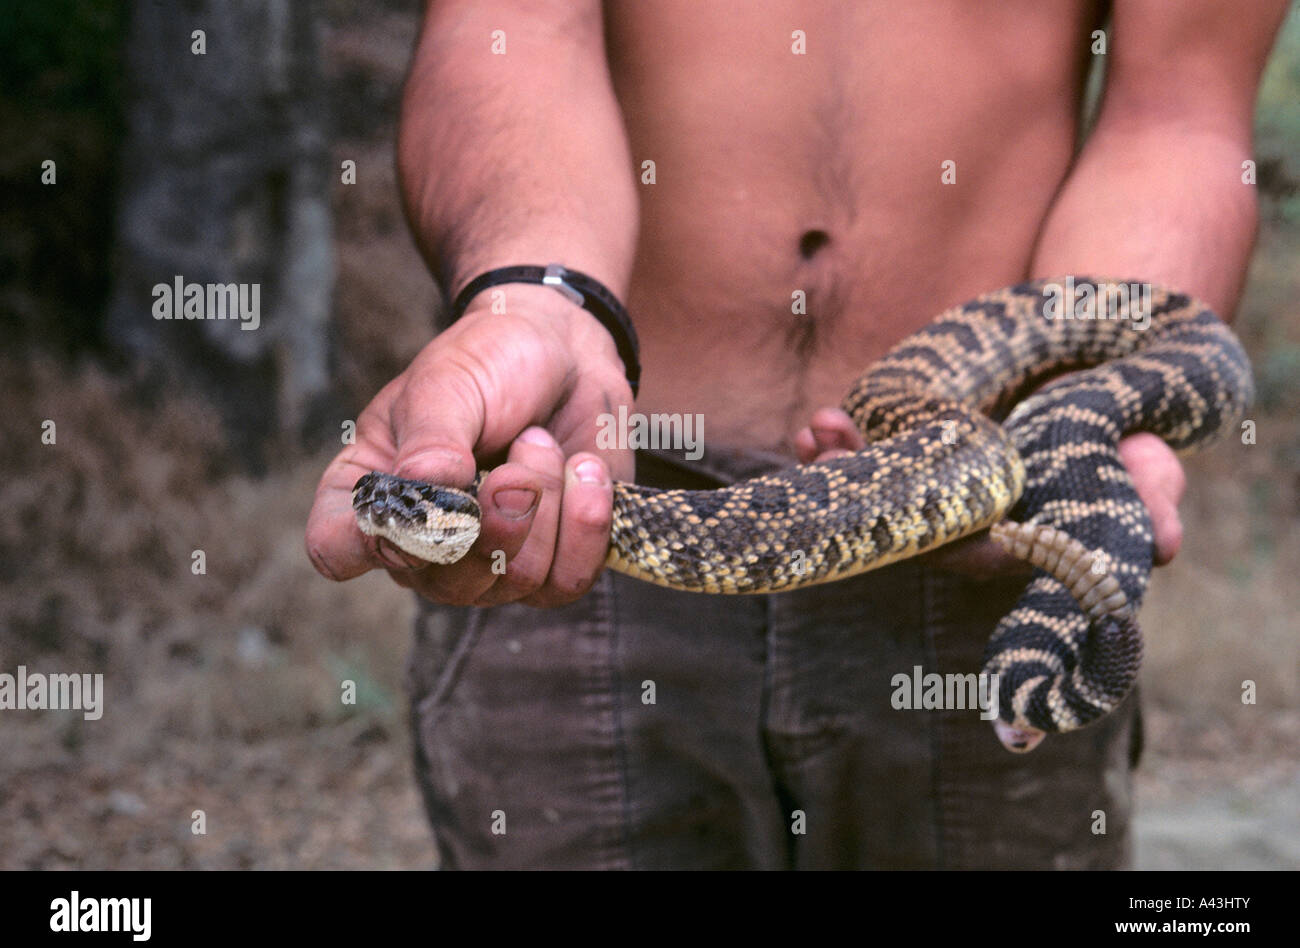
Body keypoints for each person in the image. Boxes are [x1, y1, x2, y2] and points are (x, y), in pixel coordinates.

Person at [306, 0, 1287, 868]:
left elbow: (1179, 113)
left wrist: (1071, 417)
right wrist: (534, 304)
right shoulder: (498, 513)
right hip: (580, 540)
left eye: (406, 503)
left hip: (978, 510)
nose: (393, 510)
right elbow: (509, 28)